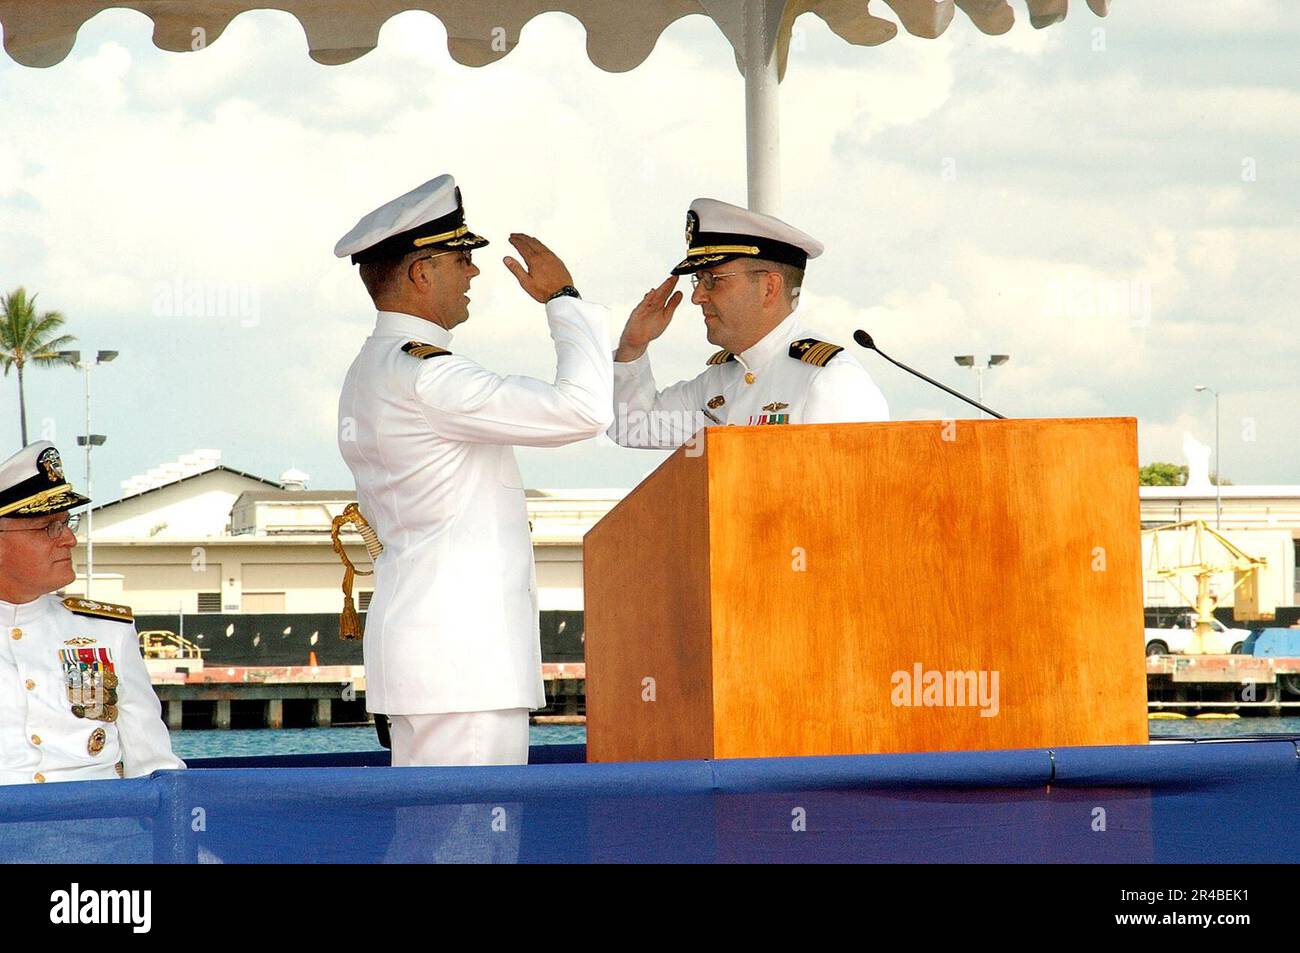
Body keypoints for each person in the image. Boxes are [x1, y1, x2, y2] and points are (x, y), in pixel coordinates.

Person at [335, 174, 612, 767]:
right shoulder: (428, 374)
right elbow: (583, 411)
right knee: (470, 846)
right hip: (464, 665)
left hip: (432, 658)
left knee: (432, 843)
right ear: (420, 272)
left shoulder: (374, 366)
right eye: (462, 258)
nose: (475, 273)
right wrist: (565, 301)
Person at [610, 198, 889, 448]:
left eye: (712, 280)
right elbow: (631, 427)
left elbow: (854, 495)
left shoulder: (829, 380)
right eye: (698, 280)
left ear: (769, 287)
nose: (697, 296)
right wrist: (632, 347)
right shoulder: (719, 380)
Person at [0, 441, 183, 786]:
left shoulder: (107, 632)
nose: (68, 538)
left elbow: (154, 766)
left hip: (99, 834)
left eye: (67, 522)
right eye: (48, 527)